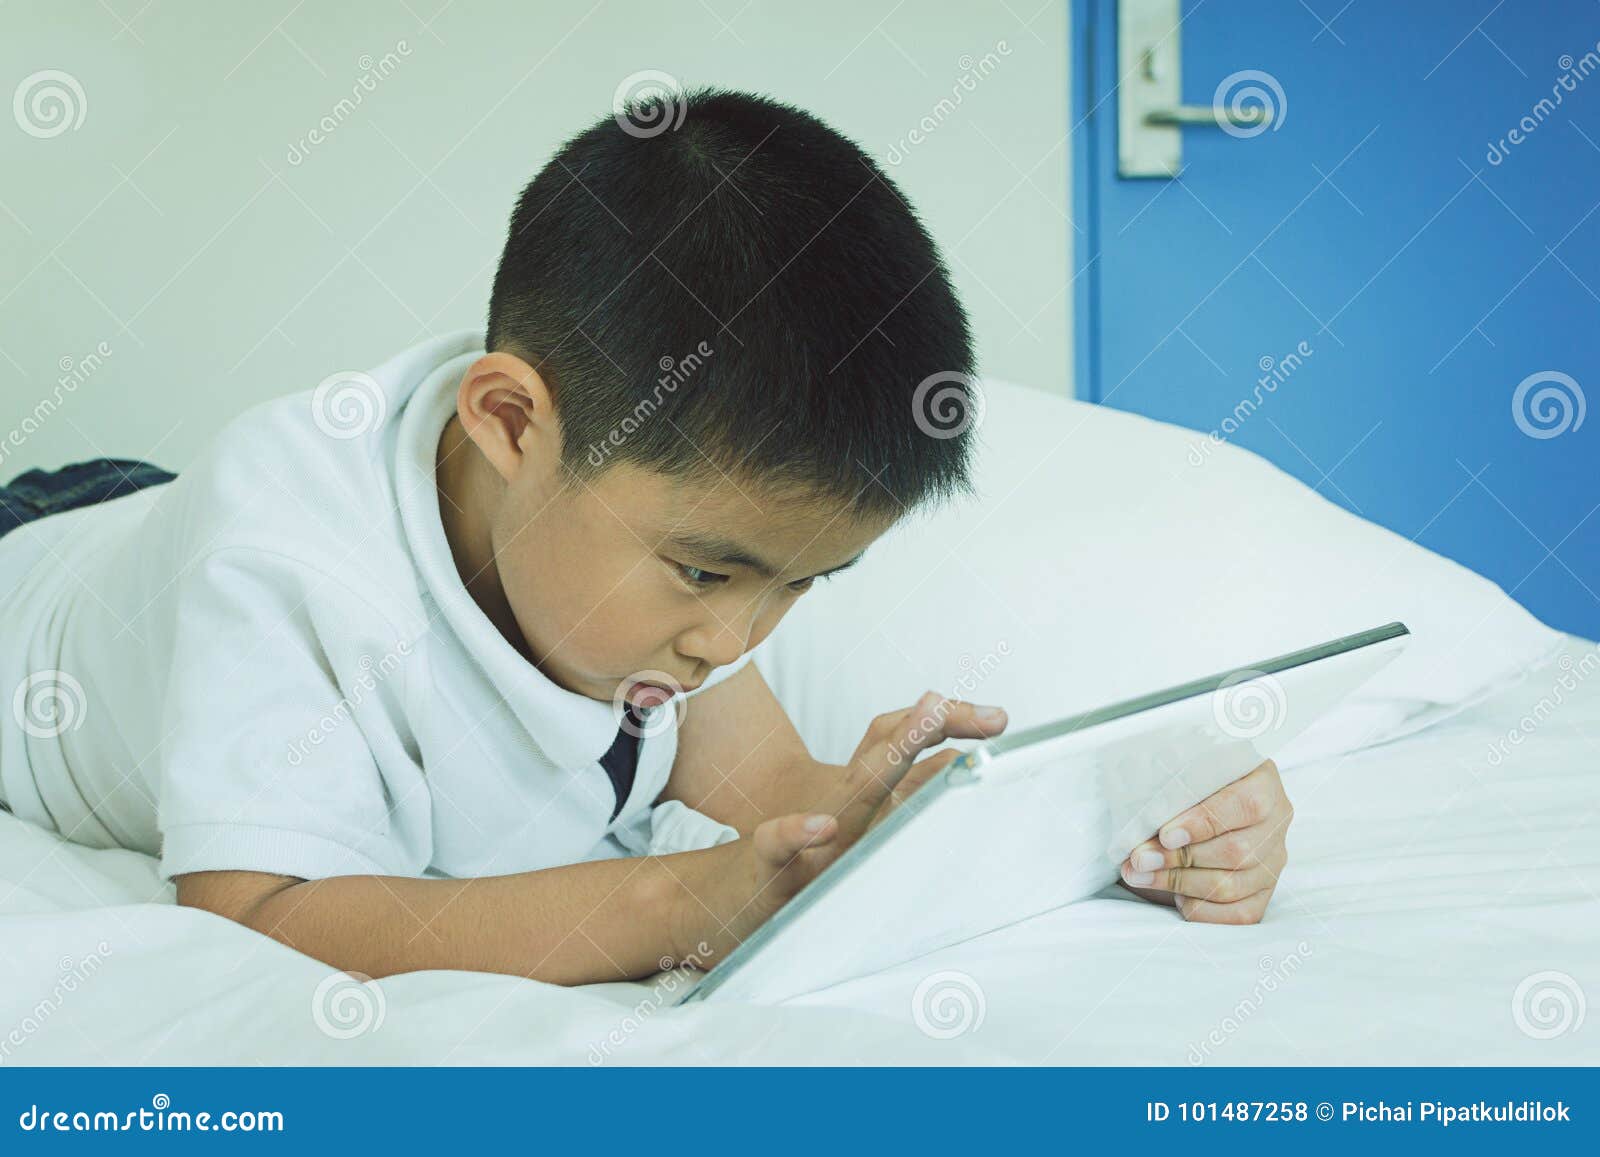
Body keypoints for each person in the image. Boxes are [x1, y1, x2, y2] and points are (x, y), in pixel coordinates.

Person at [0, 90, 1291, 983]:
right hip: (44, 546)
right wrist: (679, 902)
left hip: (142, 524)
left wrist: (1118, 819)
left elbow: (772, 795)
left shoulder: (651, 577)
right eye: (706, 572)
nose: (733, 639)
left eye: (802, 585)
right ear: (510, 423)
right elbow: (260, 918)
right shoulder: (284, 567)